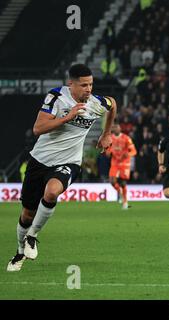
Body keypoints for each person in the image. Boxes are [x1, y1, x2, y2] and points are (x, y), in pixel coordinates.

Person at [7, 64, 117, 272]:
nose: (89, 89)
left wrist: (106, 133)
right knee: (27, 214)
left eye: (91, 84)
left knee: (52, 191)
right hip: (39, 161)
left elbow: (113, 105)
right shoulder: (56, 97)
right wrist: (68, 117)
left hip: (69, 162)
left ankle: (32, 236)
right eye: (84, 85)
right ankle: (20, 250)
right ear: (71, 84)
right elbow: (38, 128)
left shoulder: (97, 103)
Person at [106, 124, 137, 209]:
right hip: (115, 163)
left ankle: (125, 202)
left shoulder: (126, 138)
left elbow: (134, 151)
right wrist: (108, 153)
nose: (115, 129)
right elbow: (108, 150)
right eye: (114, 128)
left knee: (123, 183)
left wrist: (128, 154)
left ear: (120, 129)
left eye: (117, 127)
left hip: (124, 163)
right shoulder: (110, 139)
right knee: (112, 181)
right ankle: (120, 193)